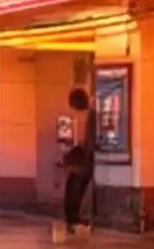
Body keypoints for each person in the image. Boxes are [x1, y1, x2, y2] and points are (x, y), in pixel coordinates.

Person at [59, 87, 95, 238]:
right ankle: (73, 219)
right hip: (84, 156)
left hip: (87, 157)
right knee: (74, 187)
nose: (75, 109)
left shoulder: (94, 112)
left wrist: (85, 153)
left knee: (76, 187)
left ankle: (75, 219)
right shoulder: (90, 112)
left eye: (74, 104)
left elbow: (91, 138)